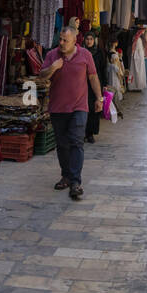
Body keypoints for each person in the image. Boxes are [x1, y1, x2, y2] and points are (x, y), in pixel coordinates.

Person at [41, 25, 104, 199]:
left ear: (74, 40)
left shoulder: (85, 55)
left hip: (79, 107)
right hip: (57, 108)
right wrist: (53, 67)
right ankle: (66, 175)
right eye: (60, 39)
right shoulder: (52, 55)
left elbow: (92, 77)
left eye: (65, 40)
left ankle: (76, 181)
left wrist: (99, 99)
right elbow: (42, 76)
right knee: (62, 144)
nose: (61, 43)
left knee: (76, 142)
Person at [83, 30, 108, 143]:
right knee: (84, 108)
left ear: (94, 40)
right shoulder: (82, 52)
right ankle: (83, 132)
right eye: (87, 39)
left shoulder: (99, 53)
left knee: (95, 108)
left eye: (91, 39)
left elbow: (103, 69)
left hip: (97, 83)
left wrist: (105, 84)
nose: (89, 41)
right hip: (83, 84)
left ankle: (90, 133)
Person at [127, 26, 147, 91]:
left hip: (137, 57)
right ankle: (137, 86)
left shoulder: (136, 38)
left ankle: (134, 86)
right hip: (138, 58)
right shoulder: (138, 39)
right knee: (138, 72)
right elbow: (138, 50)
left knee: (135, 71)